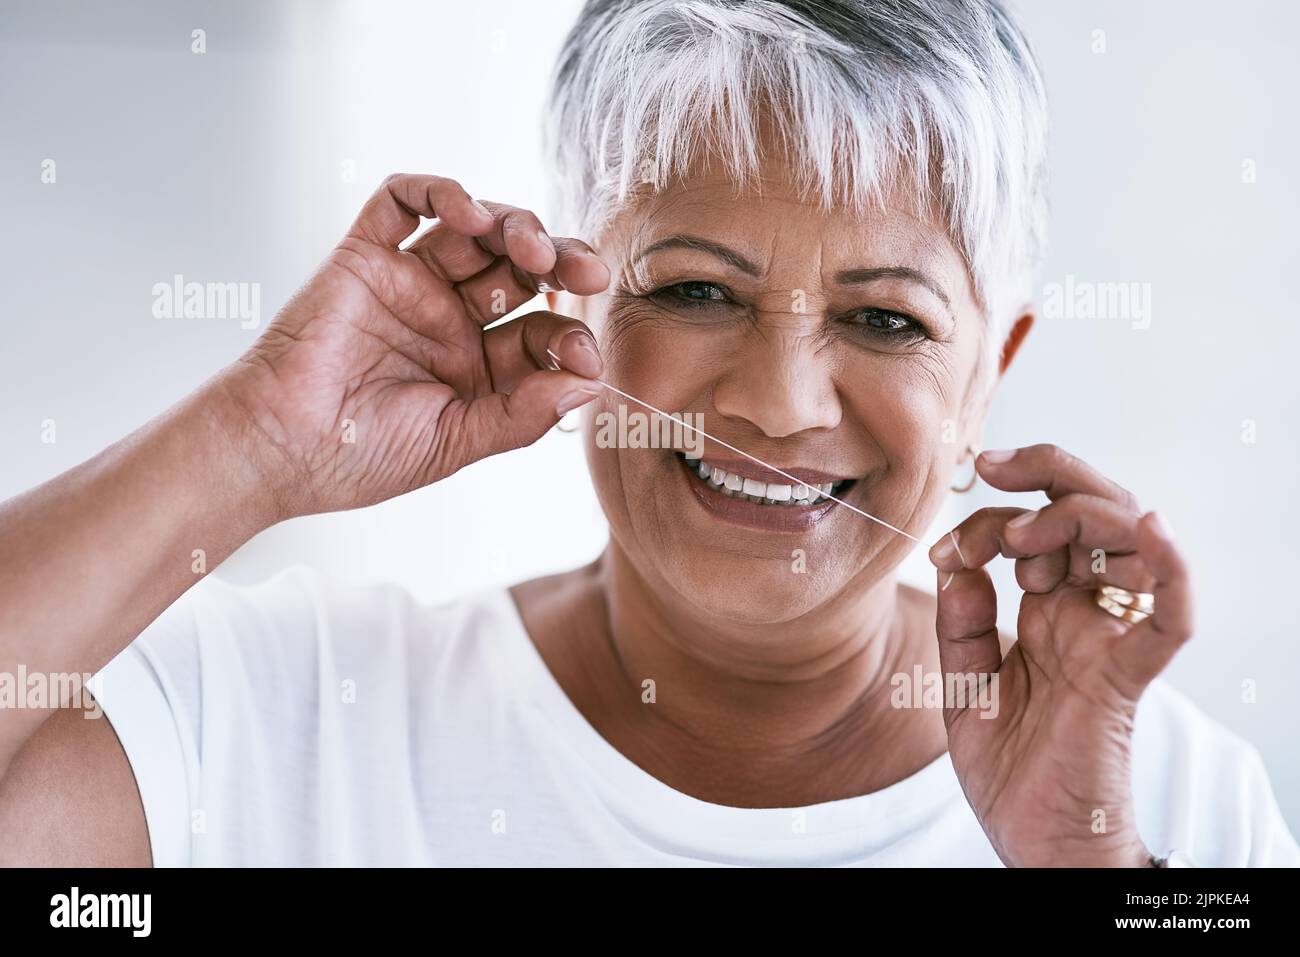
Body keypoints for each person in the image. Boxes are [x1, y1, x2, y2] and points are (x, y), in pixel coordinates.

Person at [1, 0, 1295, 866]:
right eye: (695, 290)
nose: (781, 402)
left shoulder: (1164, 801)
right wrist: (255, 439)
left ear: (990, 373)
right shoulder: (284, 719)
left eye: (888, 321)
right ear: (575, 302)